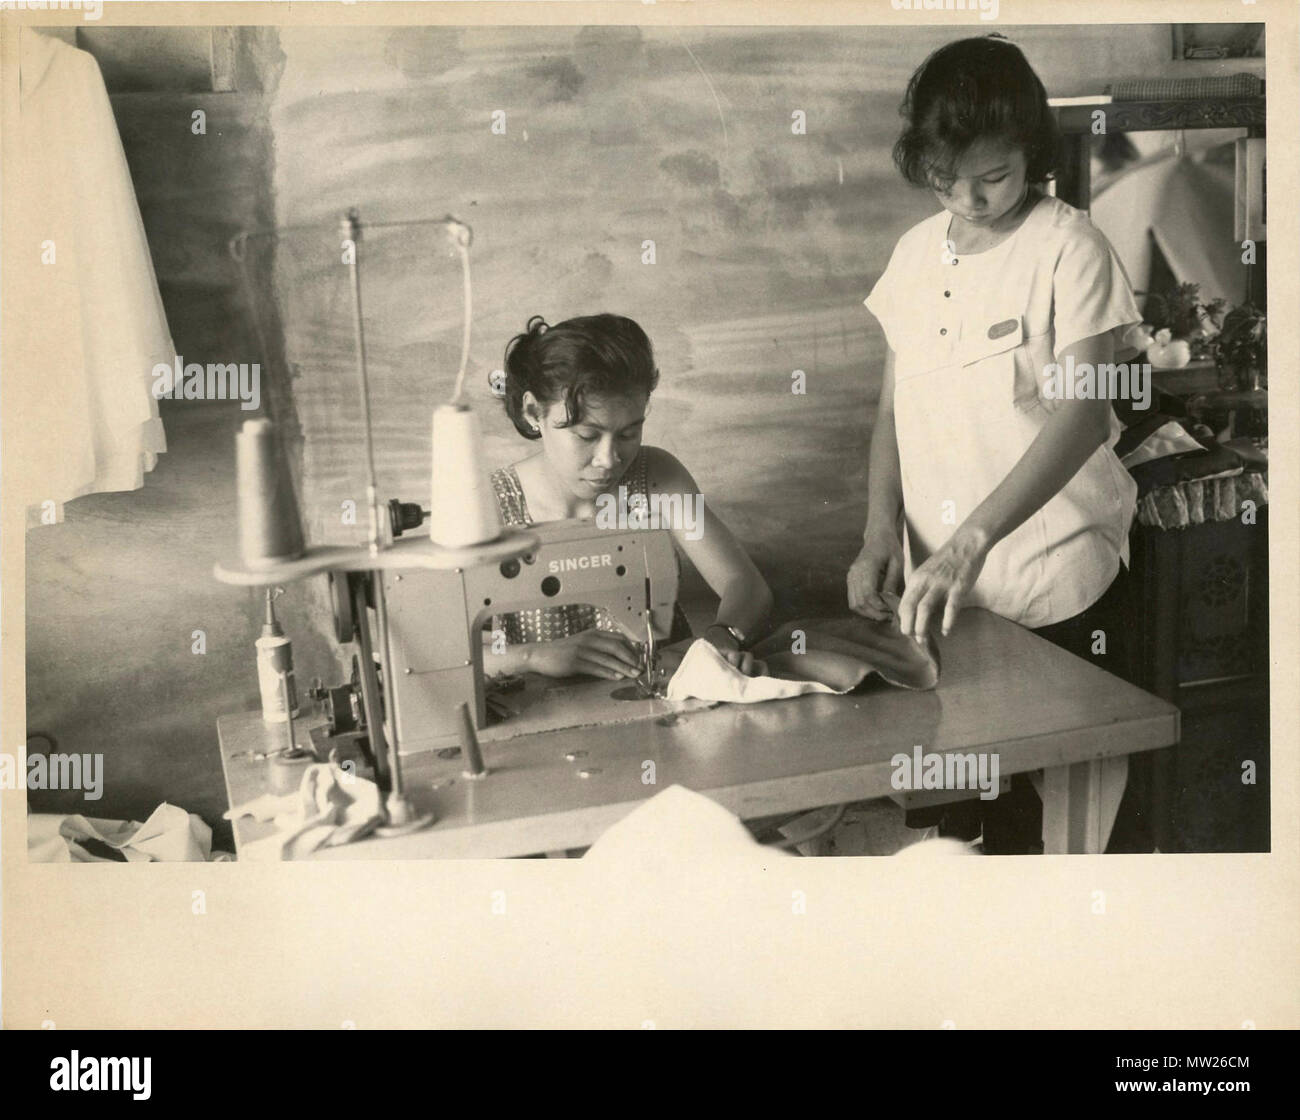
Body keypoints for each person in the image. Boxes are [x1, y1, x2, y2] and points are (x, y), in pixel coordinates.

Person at [847, 36, 1143, 850]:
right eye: (949, 179)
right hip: (946, 593)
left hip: (1056, 582)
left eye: (994, 176)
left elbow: (1083, 416)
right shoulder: (913, 255)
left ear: (1032, 154)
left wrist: (971, 538)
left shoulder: (1070, 249)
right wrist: (880, 535)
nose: (971, 199)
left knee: (1069, 821)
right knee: (966, 814)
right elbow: (891, 411)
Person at [487, 313, 772, 682]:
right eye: (588, 436)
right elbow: (443, 653)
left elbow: (746, 585)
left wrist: (722, 637)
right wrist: (533, 655)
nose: (610, 460)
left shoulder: (656, 477)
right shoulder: (491, 505)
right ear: (532, 413)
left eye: (628, 434)